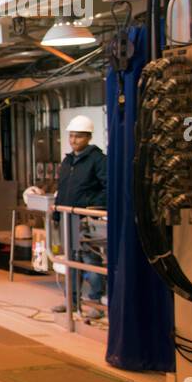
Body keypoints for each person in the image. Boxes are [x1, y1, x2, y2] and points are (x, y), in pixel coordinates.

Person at [52, 115, 108, 320]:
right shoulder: (68, 161)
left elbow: (108, 186)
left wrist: (89, 205)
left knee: (90, 261)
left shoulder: (98, 160)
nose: (74, 140)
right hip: (68, 219)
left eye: (78, 137)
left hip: (84, 219)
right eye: (71, 136)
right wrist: (57, 212)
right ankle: (72, 302)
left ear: (88, 137)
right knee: (71, 261)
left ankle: (96, 302)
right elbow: (63, 188)